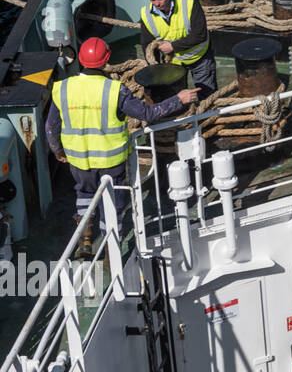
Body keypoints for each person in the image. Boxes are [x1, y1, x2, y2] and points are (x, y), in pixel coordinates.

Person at [46, 37, 198, 258]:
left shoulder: (63, 89)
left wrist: (58, 150)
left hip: (78, 159)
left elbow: (51, 126)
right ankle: (110, 245)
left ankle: (85, 239)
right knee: (113, 203)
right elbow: (147, 113)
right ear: (106, 61)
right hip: (111, 160)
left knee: (85, 193)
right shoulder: (114, 90)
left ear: (80, 59)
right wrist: (179, 99)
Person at [138, 0, 218, 100]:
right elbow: (147, 45)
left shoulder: (189, 2)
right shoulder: (146, 15)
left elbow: (200, 34)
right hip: (174, 63)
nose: (157, 3)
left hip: (200, 58)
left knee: (207, 96)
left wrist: (173, 46)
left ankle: (210, 116)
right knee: (178, 100)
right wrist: (157, 70)